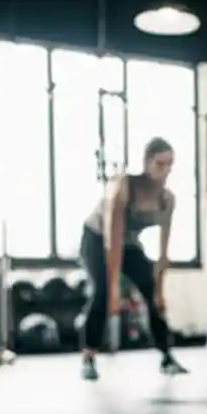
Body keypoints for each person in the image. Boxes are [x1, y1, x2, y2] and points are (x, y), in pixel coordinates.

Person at [78, 137, 189, 380]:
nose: (166, 170)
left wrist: (159, 290)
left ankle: (166, 357)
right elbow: (112, 239)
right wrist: (116, 288)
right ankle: (89, 357)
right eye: (160, 164)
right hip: (98, 238)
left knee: (150, 291)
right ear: (147, 163)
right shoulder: (123, 186)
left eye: (170, 165)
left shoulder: (167, 199)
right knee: (103, 292)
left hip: (128, 243)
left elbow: (162, 255)